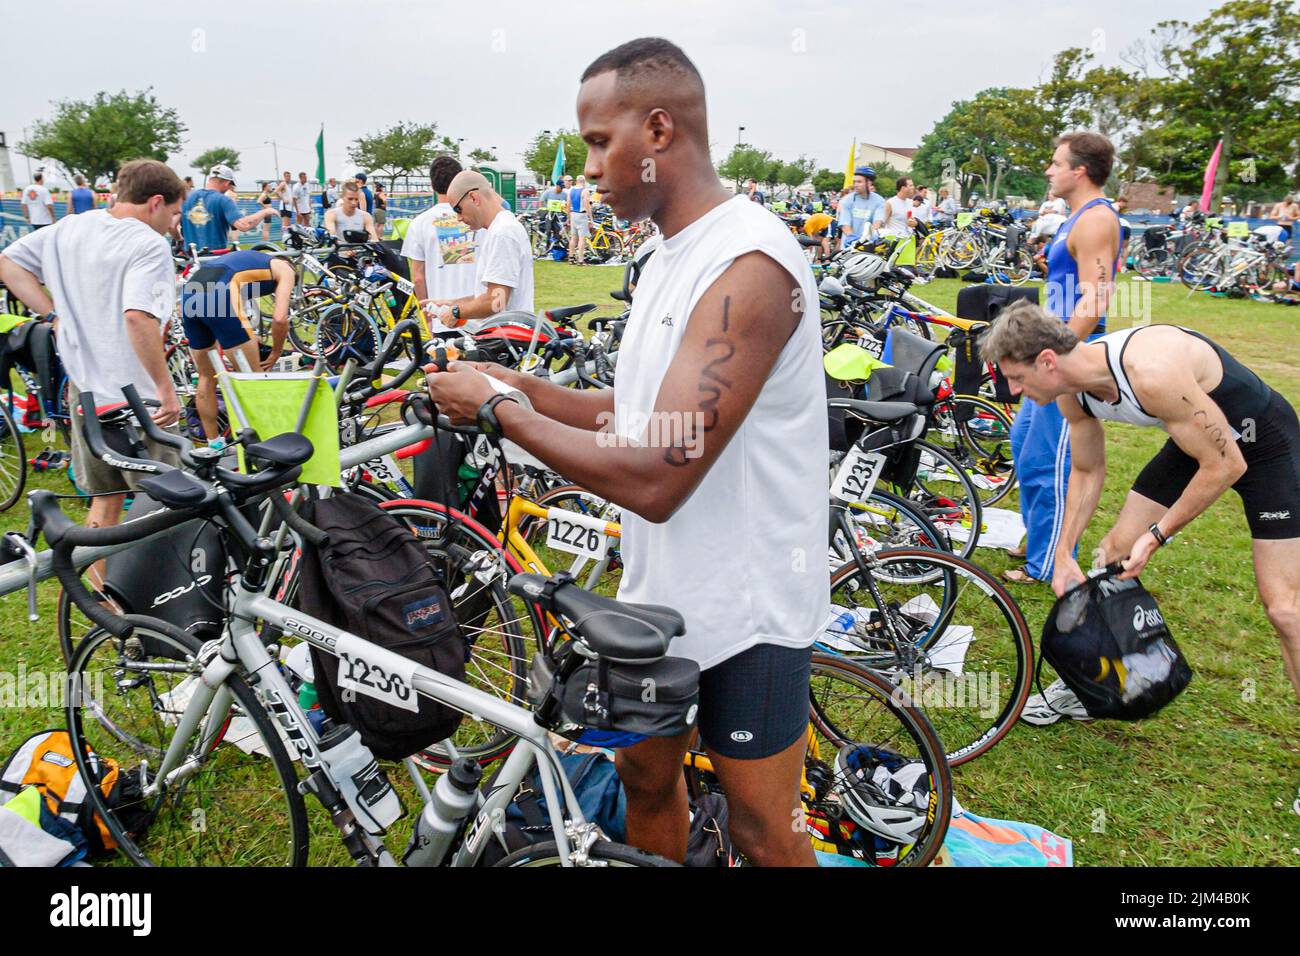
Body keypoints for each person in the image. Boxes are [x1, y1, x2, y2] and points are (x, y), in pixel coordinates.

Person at [426, 38, 826, 867]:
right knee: (645, 782)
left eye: (597, 142)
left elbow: (658, 472)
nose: (587, 168)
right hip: (659, 589)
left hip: (746, 607)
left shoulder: (747, 262)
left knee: (761, 826)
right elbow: (631, 414)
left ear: (657, 130)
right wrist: (526, 388)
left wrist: (499, 411)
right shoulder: (666, 254)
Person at [981, 302, 1300, 707]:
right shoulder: (1071, 395)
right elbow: (1087, 470)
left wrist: (1157, 536)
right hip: (1199, 442)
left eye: (1016, 378)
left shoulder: (1150, 372)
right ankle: (1119, 673)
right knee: (1113, 554)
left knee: (1285, 610)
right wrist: (1063, 552)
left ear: (1047, 361)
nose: (1012, 391)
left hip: (1265, 446)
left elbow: (1226, 464)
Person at [0, 159, 185, 539]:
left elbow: (8, 263)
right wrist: (166, 390)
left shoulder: (69, 228)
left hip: (85, 393)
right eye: (174, 212)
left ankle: (98, 596)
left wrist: (52, 314)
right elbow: (138, 317)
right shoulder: (148, 242)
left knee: (106, 501)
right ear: (154, 202)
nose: (173, 223)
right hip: (139, 401)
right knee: (167, 511)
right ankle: (145, 596)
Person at [1004, 131, 1123, 586]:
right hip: (1051, 350)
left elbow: (1095, 300)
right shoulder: (1077, 218)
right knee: (1025, 450)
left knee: (1051, 461)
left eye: (1056, 163)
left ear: (1080, 170)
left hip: (1066, 357)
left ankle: (1050, 560)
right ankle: (1038, 539)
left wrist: (1058, 360)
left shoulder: (1095, 219)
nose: (1049, 171)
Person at [181, 249, 295, 445]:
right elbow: (279, 318)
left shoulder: (249, 260)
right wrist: (276, 351)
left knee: (206, 377)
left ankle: (213, 443)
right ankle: (266, 442)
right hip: (220, 295)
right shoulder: (285, 269)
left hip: (191, 292)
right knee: (254, 380)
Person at [423, 169, 533, 324]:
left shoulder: (502, 232)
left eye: (458, 209)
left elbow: (496, 302)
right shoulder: (501, 228)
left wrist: (456, 312)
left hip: (505, 341)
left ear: (474, 198)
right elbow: (488, 294)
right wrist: (453, 303)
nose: (458, 218)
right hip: (502, 338)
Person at [402, 155, 480, 334]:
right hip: (478, 314)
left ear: (432, 184)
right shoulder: (478, 217)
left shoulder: (419, 223)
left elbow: (418, 277)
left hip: (441, 316)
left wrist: (428, 315)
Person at [180, 164, 273, 253]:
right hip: (214, 259)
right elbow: (244, 225)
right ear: (227, 183)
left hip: (191, 261)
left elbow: (172, 226)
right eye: (230, 185)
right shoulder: (223, 200)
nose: (230, 188)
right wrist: (265, 212)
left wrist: (179, 240)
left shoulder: (187, 198)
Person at [836, 166, 884, 250]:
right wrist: (854, 239)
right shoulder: (847, 200)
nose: (855, 185)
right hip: (849, 247)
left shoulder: (879, 201)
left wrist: (867, 239)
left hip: (868, 246)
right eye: (854, 182)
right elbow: (845, 224)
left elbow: (877, 223)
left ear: (869, 183)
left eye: (859, 182)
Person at [568, 174, 592, 263]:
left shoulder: (571, 190)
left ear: (576, 181)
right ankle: (580, 259)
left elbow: (568, 204)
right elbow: (587, 205)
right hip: (581, 215)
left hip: (573, 214)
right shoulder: (585, 191)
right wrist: (591, 218)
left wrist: (568, 217)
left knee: (573, 238)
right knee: (582, 238)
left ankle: (571, 257)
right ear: (584, 182)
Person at [540, 179, 568, 251]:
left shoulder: (564, 194)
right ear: (557, 186)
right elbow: (541, 201)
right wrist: (542, 210)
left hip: (558, 215)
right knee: (548, 230)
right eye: (560, 187)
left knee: (558, 230)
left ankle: (555, 246)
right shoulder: (549, 192)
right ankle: (547, 246)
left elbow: (568, 203)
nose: (561, 189)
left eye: (563, 187)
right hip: (549, 213)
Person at [275, 170, 295, 235]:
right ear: (284, 177)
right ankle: (284, 238)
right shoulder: (283, 183)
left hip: (289, 207)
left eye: (289, 176)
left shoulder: (288, 185)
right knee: (285, 225)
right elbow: (277, 191)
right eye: (287, 176)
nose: (288, 178)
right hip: (284, 207)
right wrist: (283, 199)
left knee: (288, 225)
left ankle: (286, 238)